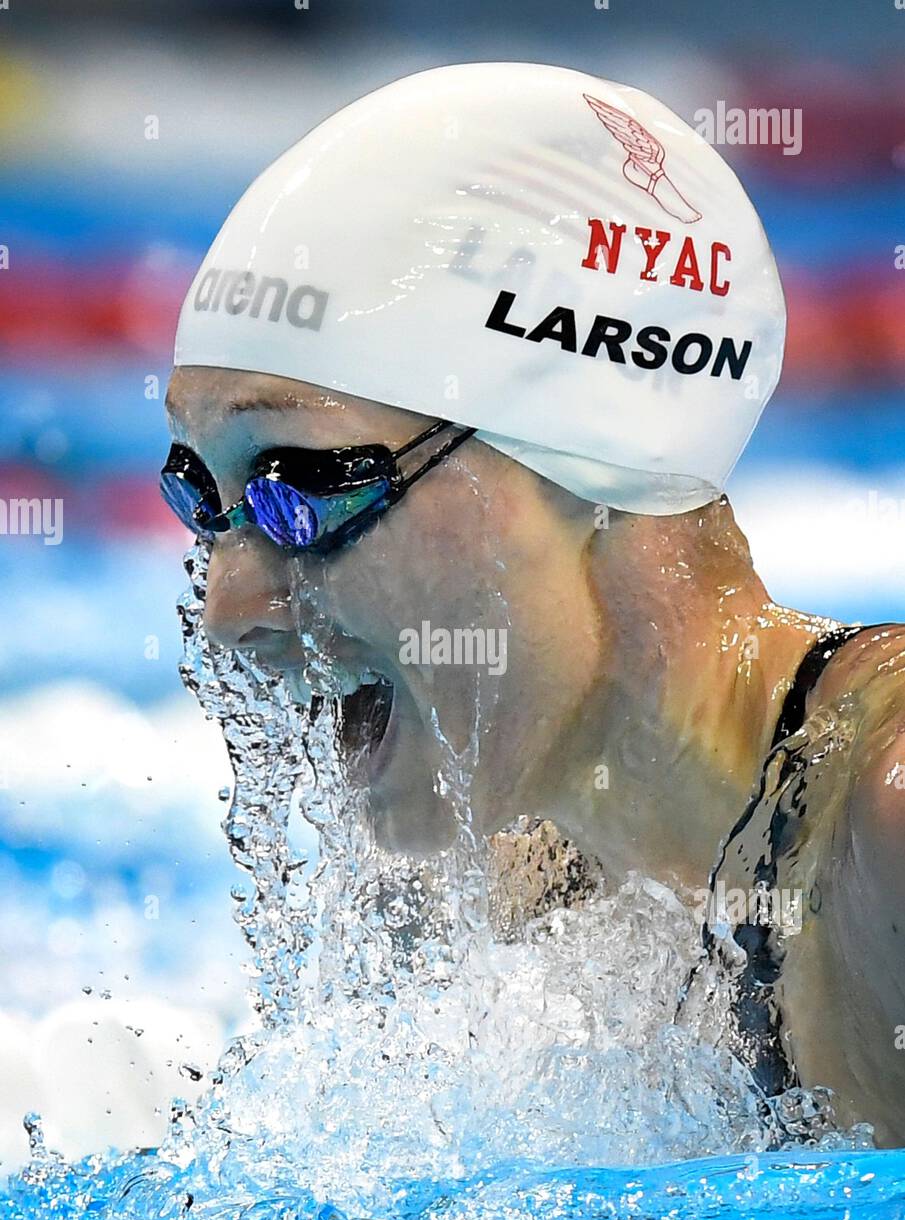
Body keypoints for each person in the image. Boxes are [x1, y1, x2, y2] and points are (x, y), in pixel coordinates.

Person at [162, 64, 905, 1145]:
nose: (229, 603)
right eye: (204, 497)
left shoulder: (881, 830)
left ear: (585, 463)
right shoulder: (472, 880)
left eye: (305, 486)